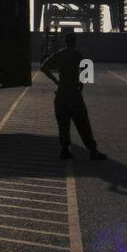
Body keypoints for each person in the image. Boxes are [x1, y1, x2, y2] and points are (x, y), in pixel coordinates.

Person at [41, 31, 107, 161]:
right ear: (75, 42)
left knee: (63, 124)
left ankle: (65, 150)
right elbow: (86, 74)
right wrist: (80, 86)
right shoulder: (78, 55)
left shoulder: (59, 54)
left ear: (65, 42)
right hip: (74, 94)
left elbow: (44, 67)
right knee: (83, 123)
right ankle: (92, 151)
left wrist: (57, 81)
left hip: (61, 94)